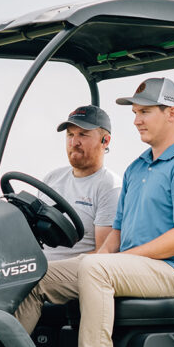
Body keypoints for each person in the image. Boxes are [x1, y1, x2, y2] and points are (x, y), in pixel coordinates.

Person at [16, 77, 174, 347]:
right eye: (135, 113)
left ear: (171, 113)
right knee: (38, 276)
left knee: (98, 269)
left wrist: (118, 260)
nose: (136, 120)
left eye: (145, 112)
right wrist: (106, 257)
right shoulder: (137, 168)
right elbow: (116, 236)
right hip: (134, 267)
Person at [41, 105, 120, 260]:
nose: (74, 142)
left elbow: (104, 255)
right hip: (33, 264)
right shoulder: (52, 178)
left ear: (105, 141)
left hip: (72, 271)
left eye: (83, 135)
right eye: (70, 134)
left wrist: (52, 269)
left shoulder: (110, 187)